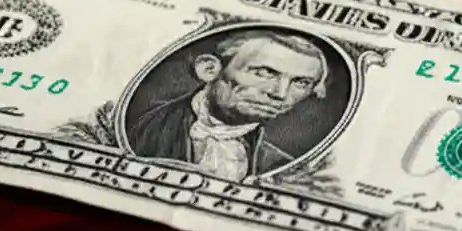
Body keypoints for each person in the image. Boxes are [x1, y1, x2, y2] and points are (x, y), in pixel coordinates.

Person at [128, 29, 329, 180]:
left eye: (301, 83)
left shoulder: (283, 167)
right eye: (264, 73)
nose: (280, 94)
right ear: (209, 69)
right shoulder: (140, 130)